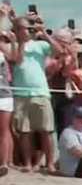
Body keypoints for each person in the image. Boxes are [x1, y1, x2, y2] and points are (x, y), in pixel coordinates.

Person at [10, 15, 66, 172]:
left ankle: (49, 164)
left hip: (40, 92)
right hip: (21, 94)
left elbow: (59, 51)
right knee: (25, 131)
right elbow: (18, 61)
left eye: (27, 28)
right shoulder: (13, 45)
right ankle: (28, 163)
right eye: (21, 28)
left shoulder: (40, 45)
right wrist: (20, 42)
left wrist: (44, 33)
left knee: (46, 130)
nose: (25, 31)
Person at [0, 28, 15, 175]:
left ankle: (4, 163)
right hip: (4, 95)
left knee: (4, 130)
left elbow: (12, 56)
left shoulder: (3, 54)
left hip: (3, 95)